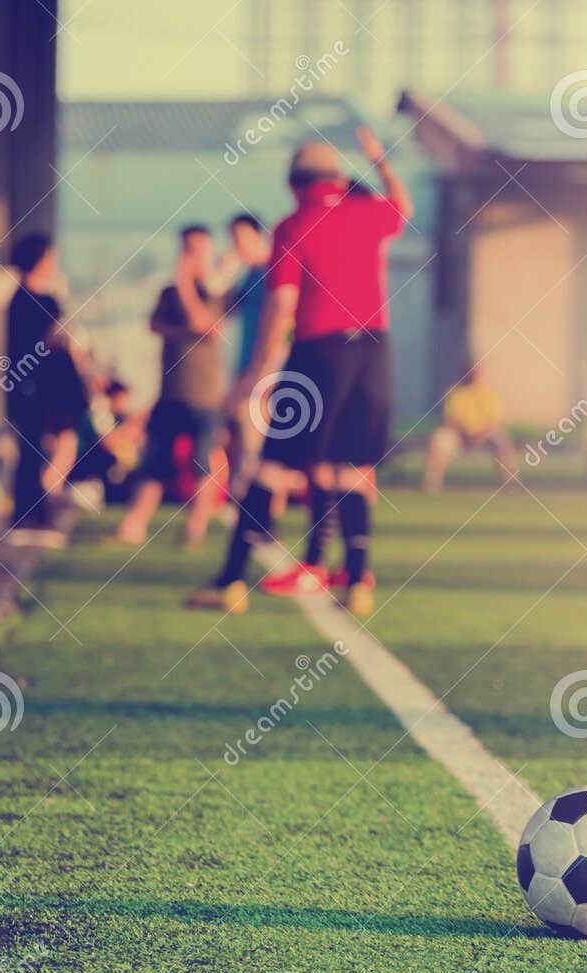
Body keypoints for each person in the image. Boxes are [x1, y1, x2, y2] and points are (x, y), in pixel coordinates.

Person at [192, 127, 411, 616]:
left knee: (273, 465)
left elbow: (282, 307)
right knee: (352, 468)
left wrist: (255, 372)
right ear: (338, 176)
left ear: (294, 184)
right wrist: (381, 162)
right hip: (374, 349)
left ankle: (230, 582)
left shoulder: (293, 226)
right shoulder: (369, 212)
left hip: (319, 352)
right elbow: (403, 206)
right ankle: (357, 582)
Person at [110, 225, 228, 546]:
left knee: (203, 463)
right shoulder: (169, 293)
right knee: (154, 462)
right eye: (187, 249)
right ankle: (135, 523)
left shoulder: (216, 291)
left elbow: (202, 323)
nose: (191, 257)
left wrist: (185, 283)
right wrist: (181, 323)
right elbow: (155, 325)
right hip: (170, 392)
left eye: (198, 250)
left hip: (204, 395)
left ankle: (195, 527)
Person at [4, 232, 87, 547]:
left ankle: (40, 503)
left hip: (51, 386)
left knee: (51, 444)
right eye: (50, 258)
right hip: (34, 386)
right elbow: (40, 343)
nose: (53, 264)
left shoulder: (39, 299)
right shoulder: (26, 300)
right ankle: (30, 512)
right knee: (31, 449)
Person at [224, 212, 271, 490]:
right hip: (246, 368)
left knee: (257, 443)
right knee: (243, 439)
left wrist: (261, 370)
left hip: (266, 371)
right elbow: (224, 312)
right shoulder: (248, 276)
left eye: (241, 238)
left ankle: (258, 517)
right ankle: (246, 509)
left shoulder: (273, 272)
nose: (236, 245)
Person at [421, 366, 518, 493]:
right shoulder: (456, 392)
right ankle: (431, 485)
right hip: (459, 436)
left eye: (476, 373)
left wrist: (480, 435)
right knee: (440, 439)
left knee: (503, 441)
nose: (474, 375)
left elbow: (493, 422)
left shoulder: (487, 394)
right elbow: (451, 420)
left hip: (484, 436)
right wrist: (465, 434)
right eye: (471, 372)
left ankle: (511, 485)